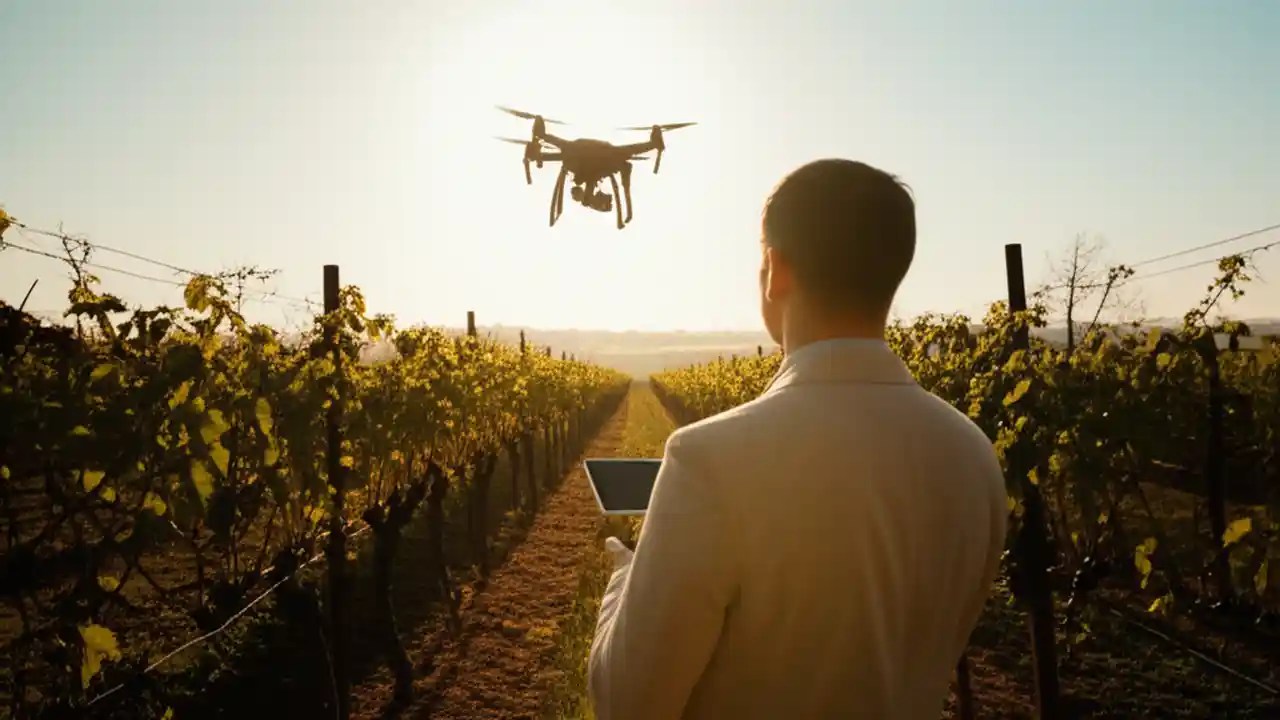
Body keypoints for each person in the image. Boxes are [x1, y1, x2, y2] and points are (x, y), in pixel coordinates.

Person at [586, 158, 1009, 719]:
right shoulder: (975, 455)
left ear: (773, 268)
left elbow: (628, 704)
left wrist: (624, 580)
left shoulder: (708, 461)